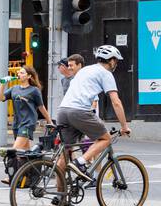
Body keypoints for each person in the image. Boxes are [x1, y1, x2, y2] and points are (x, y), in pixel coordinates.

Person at [55, 45, 131, 183]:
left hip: (62, 111)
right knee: (105, 139)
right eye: (116, 61)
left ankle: (60, 199)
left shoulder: (85, 70)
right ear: (112, 61)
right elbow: (116, 102)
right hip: (79, 111)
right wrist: (124, 126)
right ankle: (81, 162)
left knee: (65, 155)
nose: (116, 64)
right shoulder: (106, 73)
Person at [0, 66, 53, 184]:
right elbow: (0, 98)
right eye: (19, 72)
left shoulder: (34, 91)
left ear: (28, 76)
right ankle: (36, 174)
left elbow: (41, 107)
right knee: (27, 152)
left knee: (14, 150)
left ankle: (11, 176)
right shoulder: (14, 89)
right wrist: (3, 84)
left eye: (22, 72)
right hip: (17, 124)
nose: (19, 74)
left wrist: (50, 122)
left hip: (28, 124)